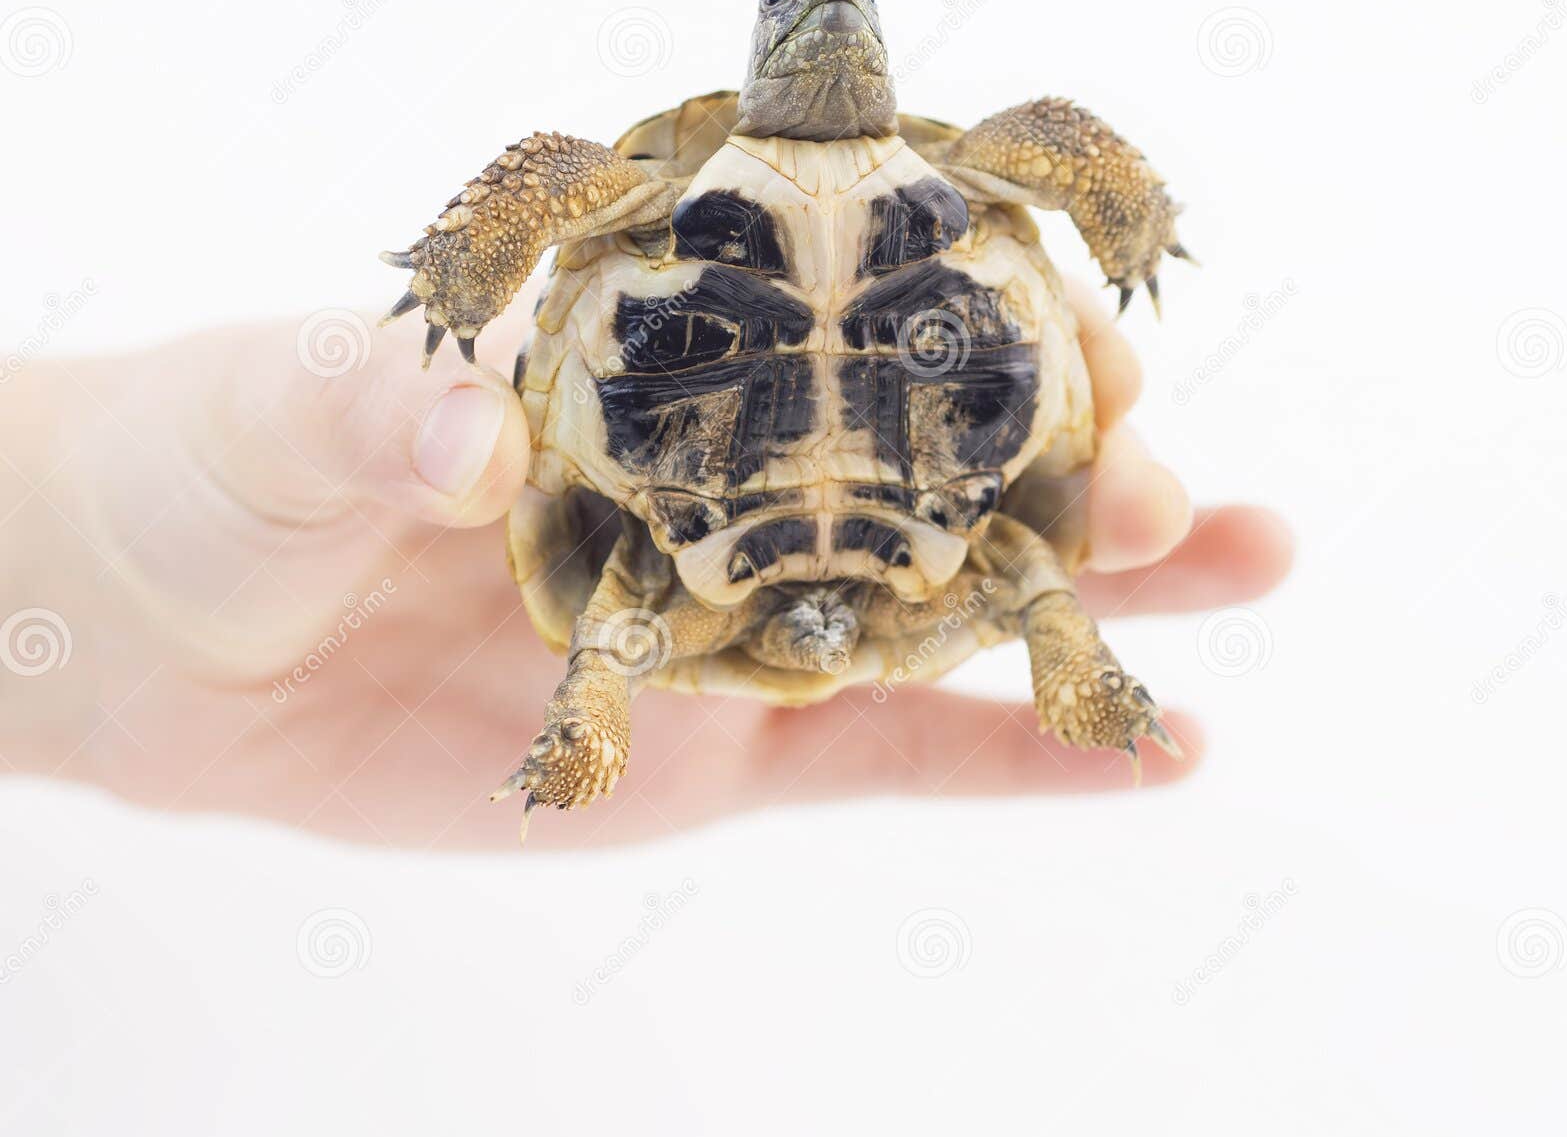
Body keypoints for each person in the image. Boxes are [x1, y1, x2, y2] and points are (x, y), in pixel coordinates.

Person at [0, 284, 1291, 850]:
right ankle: (582, 733)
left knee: (1033, 571)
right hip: (704, 512)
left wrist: (63, 589)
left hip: (778, 515)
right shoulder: (655, 181)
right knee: (1024, 571)